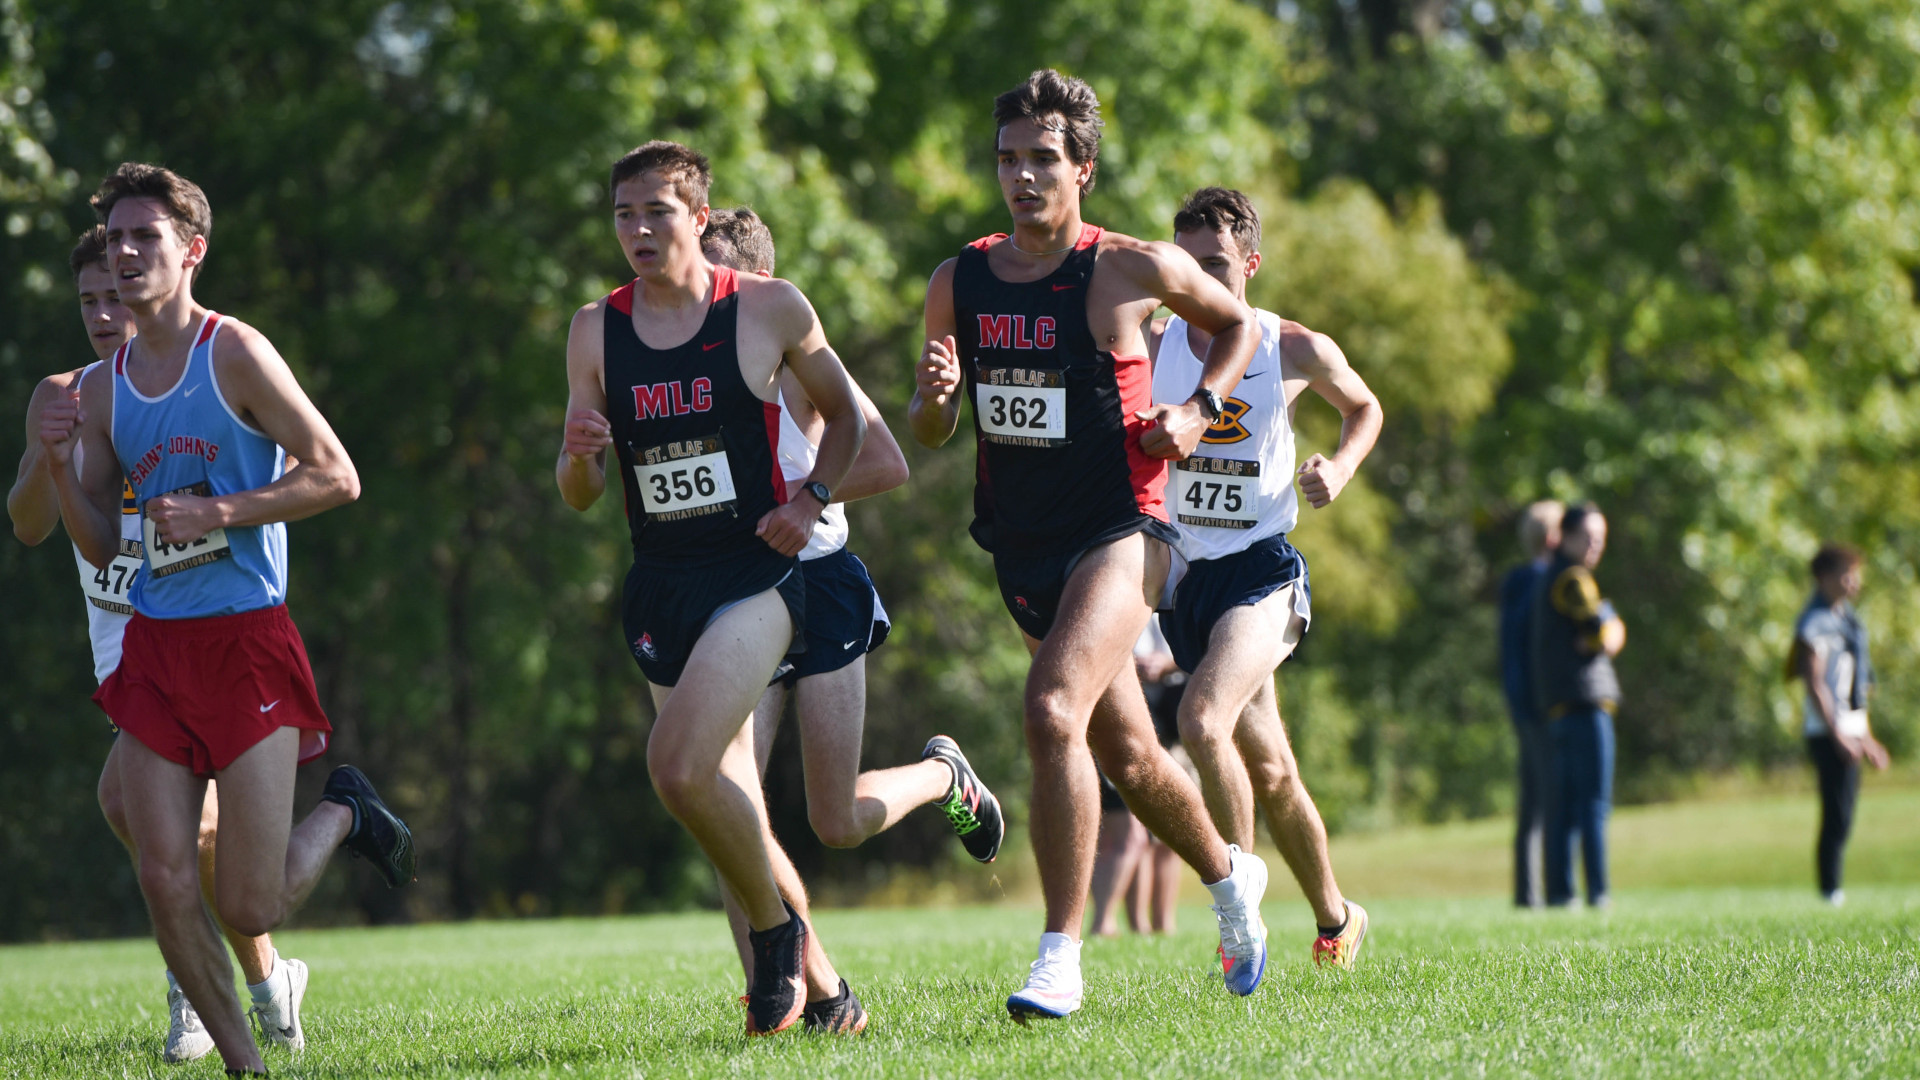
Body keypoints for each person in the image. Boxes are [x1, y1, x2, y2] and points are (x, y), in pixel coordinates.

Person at [910, 70, 1271, 1019]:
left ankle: (1059, 956)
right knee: (1133, 758)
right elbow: (932, 429)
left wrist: (1197, 410)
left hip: (1122, 530)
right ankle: (1233, 881)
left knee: (1050, 712)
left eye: (1043, 159)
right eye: (1008, 160)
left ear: (1084, 171)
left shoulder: (1130, 268)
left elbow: (1234, 325)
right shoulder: (962, 279)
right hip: (1019, 543)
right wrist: (938, 402)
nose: (1022, 177)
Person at [41, 163, 415, 1076]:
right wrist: (55, 464)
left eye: (146, 238)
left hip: (248, 640)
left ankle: (342, 815)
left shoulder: (235, 352)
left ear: (191, 252)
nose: (126, 254)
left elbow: (337, 474)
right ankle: (246, 1065)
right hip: (154, 647)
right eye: (116, 239)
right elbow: (94, 546)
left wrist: (223, 511)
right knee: (165, 878)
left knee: (250, 906)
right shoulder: (102, 388)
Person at [556, 143, 871, 1035]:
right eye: (624, 215)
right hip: (662, 583)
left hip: (758, 579)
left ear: (699, 217)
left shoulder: (768, 308)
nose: (639, 231)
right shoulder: (594, 329)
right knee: (709, 790)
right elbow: (578, 494)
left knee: (675, 763)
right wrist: (578, 456)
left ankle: (775, 945)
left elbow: (849, 421)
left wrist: (810, 501)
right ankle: (801, 960)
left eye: (658, 212)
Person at [700, 207, 1005, 1031]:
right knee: (728, 803)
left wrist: (805, 500)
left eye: (719, 271)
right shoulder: (682, 357)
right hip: (738, 592)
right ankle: (787, 997)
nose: (704, 287)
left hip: (822, 583)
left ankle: (946, 779)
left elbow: (887, 459)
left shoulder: (794, 357)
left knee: (834, 823)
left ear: (756, 280)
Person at [7, 226, 306, 1063]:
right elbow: (29, 527)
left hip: (221, 631)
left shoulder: (208, 370)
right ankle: (251, 982)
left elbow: (303, 476)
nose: (105, 313)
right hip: (133, 653)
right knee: (155, 828)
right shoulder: (69, 394)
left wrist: (215, 514)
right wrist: (49, 452)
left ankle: (237, 976)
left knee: (183, 841)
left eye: (115, 292)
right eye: (89, 300)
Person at [1148, 187, 1381, 968]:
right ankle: (1338, 917)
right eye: (1187, 263)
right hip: (1186, 583)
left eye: (1216, 264)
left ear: (1250, 264)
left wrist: (1341, 466)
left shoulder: (1288, 344)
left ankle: (1236, 904)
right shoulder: (1151, 342)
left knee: (1202, 719)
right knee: (1273, 769)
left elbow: (1365, 406)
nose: (1201, 279)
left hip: (1262, 570)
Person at [1530, 502, 1624, 909]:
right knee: (1592, 805)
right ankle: (1597, 892)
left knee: (1564, 807)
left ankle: (1561, 894)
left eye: (1600, 539)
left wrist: (1607, 630)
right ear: (1564, 537)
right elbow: (1602, 633)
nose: (1595, 546)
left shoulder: (1557, 577)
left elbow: (1602, 632)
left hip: (1562, 706)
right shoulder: (1573, 579)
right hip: (1586, 705)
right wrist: (1610, 629)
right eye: (1588, 537)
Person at [1789, 543, 1889, 905]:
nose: (1854, 583)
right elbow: (1816, 683)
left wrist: (1868, 738)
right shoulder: (1814, 622)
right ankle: (1830, 891)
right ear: (1824, 578)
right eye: (1847, 575)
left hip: (1849, 729)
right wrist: (1838, 735)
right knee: (1836, 811)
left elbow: (1852, 689)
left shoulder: (1847, 621)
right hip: (1827, 731)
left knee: (1845, 812)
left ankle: (1833, 887)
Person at [1088, 617, 1185, 937]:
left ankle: (1146, 925)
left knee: (1155, 836)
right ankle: (1103, 923)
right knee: (1129, 837)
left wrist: (1168, 664)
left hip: (1167, 729)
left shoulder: (1175, 590)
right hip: (1120, 726)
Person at [1499, 500, 1564, 908]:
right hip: (1539, 704)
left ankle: (1530, 893)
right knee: (1546, 798)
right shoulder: (1537, 582)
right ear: (1555, 537)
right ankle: (1544, 892)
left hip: (1529, 700)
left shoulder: (1517, 580)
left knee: (1534, 800)